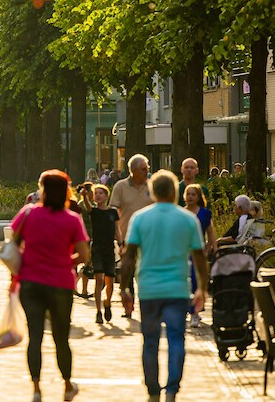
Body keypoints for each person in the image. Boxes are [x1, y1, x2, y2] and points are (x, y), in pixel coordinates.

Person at [118, 170, 207, 402]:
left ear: (153, 191)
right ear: (175, 192)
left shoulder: (139, 218)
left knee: (150, 341)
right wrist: (202, 289)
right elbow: (199, 257)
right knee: (177, 338)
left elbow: (128, 257)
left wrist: (124, 288)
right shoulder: (188, 219)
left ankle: (153, 391)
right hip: (178, 289)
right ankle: (172, 391)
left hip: (148, 288)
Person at [10, 170, 89, 402]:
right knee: (61, 337)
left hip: (30, 282)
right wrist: (65, 261)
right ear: (66, 192)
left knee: (35, 336)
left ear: (42, 190)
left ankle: (36, 389)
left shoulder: (28, 214)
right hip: (60, 284)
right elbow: (84, 255)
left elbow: (12, 245)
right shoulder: (72, 219)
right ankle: (66, 385)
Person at [110, 154, 152, 318]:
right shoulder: (120, 186)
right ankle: (129, 307)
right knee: (127, 273)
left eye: (147, 168)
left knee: (146, 273)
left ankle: (147, 306)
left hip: (149, 238)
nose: (146, 171)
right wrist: (118, 239)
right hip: (128, 237)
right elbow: (113, 212)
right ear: (133, 170)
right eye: (143, 169)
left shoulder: (151, 186)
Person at [182, 183, 215, 327]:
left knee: (196, 281)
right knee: (184, 282)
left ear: (198, 197)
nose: (190, 197)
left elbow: (210, 231)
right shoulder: (180, 213)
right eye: (188, 194)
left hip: (198, 252)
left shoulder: (204, 213)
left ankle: (195, 313)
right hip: (182, 252)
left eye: (193, 194)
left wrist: (214, 246)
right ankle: (184, 310)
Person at [87, 183, 120, 324]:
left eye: (101, 193)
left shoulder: (113, 212)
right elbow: (87, 207)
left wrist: (121, 243)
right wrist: (84, 195)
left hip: (109, 249)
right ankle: (98, 311)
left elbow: (117, 230)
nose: (98, 195)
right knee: (99, 278)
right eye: (96, 193)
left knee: (110, 281)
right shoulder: (93, 212)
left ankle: (107, 303)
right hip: (97, 248)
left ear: (107, 196)